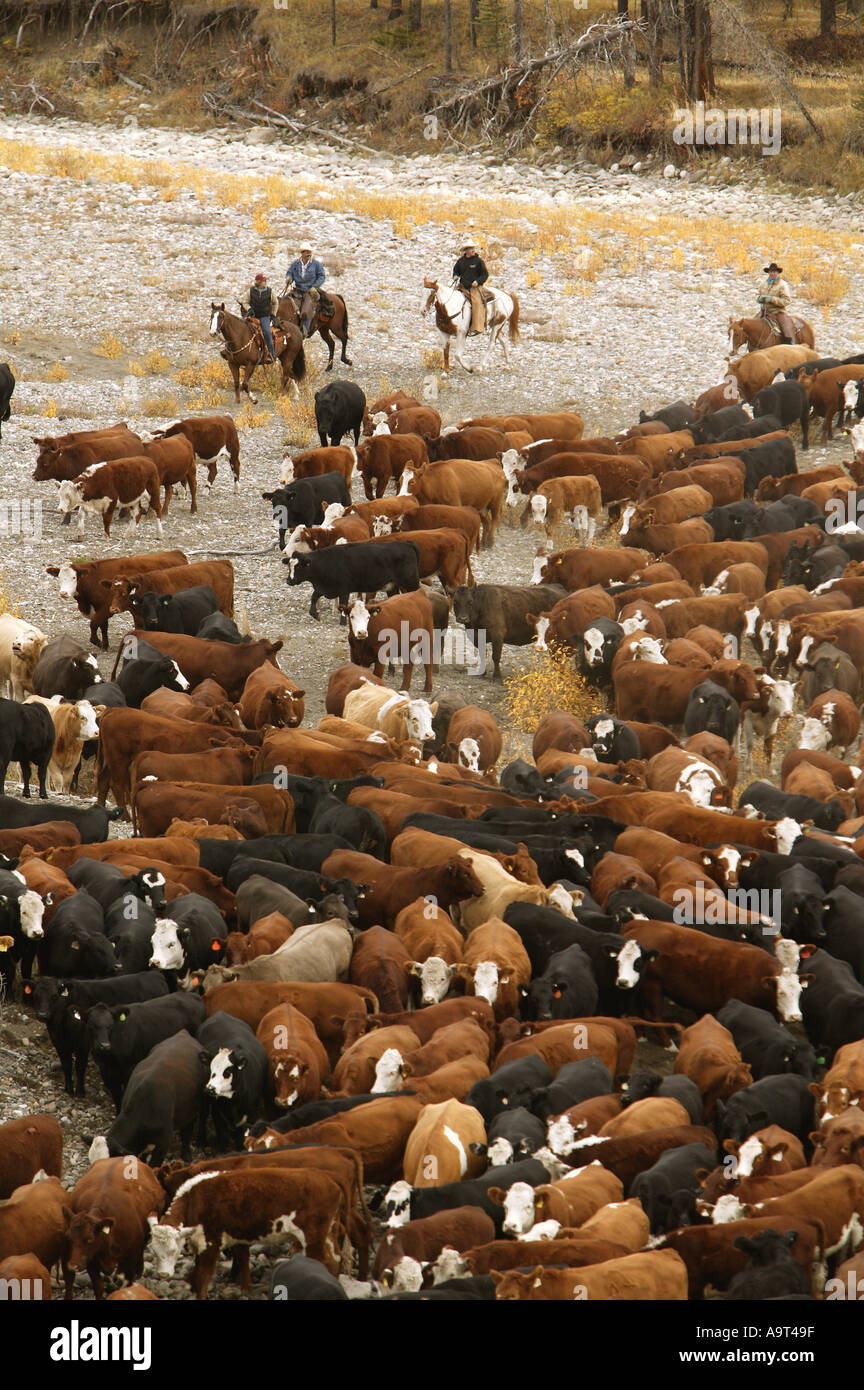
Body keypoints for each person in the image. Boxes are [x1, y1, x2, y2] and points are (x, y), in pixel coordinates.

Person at [286, 244, 328, 337]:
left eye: (310, 252)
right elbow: (289, 273)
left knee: (306, 310)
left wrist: (315, 286)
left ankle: (304, 331)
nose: (309, 254)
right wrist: (289, 278)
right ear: (302, 253)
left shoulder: (316, 264)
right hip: (297, 290)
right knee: (284, 303)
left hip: (310, 291)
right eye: (307, 252)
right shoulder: (295, 264)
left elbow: (321, 276)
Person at [452, 239, 489, 334]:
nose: (473, 250)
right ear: (466, 250)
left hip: (474, 287)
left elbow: (485, 274)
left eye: (473, 248)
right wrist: (455, 276)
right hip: (462, 286)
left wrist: (477, 281)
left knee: (476, 303)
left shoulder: (478, 261)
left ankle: (477, 327)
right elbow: (456, 271)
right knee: (452, 297)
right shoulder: (461, 261)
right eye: (470, 248)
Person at [757, 262, 795, 344]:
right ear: (768, 273)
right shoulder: (763, 284)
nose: (772, 273)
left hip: (778, 312)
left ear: (777, 273)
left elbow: (787, 301)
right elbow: (758, 296)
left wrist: (772, 299)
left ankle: (790, 345)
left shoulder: (782, 285)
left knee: (787, 332)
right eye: (770, 271)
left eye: (774, 272)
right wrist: (760, 298)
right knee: (749, 327)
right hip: (764, 311)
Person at [246, 272, 277, 363]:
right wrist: (249, 309)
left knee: (267, 332)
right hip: (253, 316)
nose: (265, 283)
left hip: (264, 316)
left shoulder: (270, 291)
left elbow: (275, 303)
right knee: (242, 327)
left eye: (265, 281)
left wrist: (273, 314)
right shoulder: (250, 291)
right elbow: (244, 301)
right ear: (259, 282)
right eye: (263, 281)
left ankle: (271, 354)